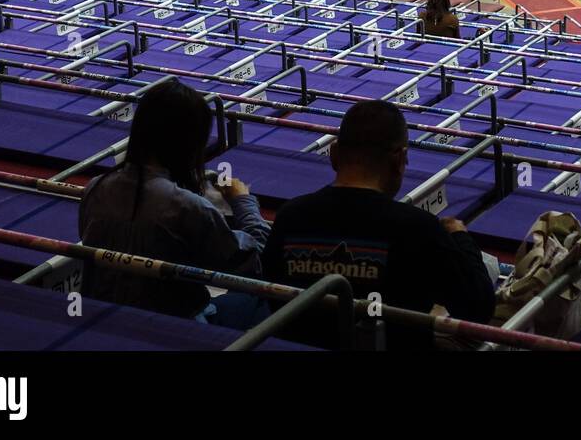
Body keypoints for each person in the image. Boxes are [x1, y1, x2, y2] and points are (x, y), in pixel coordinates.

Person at [261, 99, 495, 349]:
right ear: (399, 159)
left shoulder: (289, 217)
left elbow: (272, 298)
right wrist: (461, 238)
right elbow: (478, 308)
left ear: (334, 154)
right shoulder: (419, 229)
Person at [79, 79, 270, 327]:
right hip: (171, 328)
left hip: (101, 320)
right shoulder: (186, 207)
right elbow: (256, 261)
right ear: (190, 143)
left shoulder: (95, 187)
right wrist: (243, 201)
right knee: (264, 300)